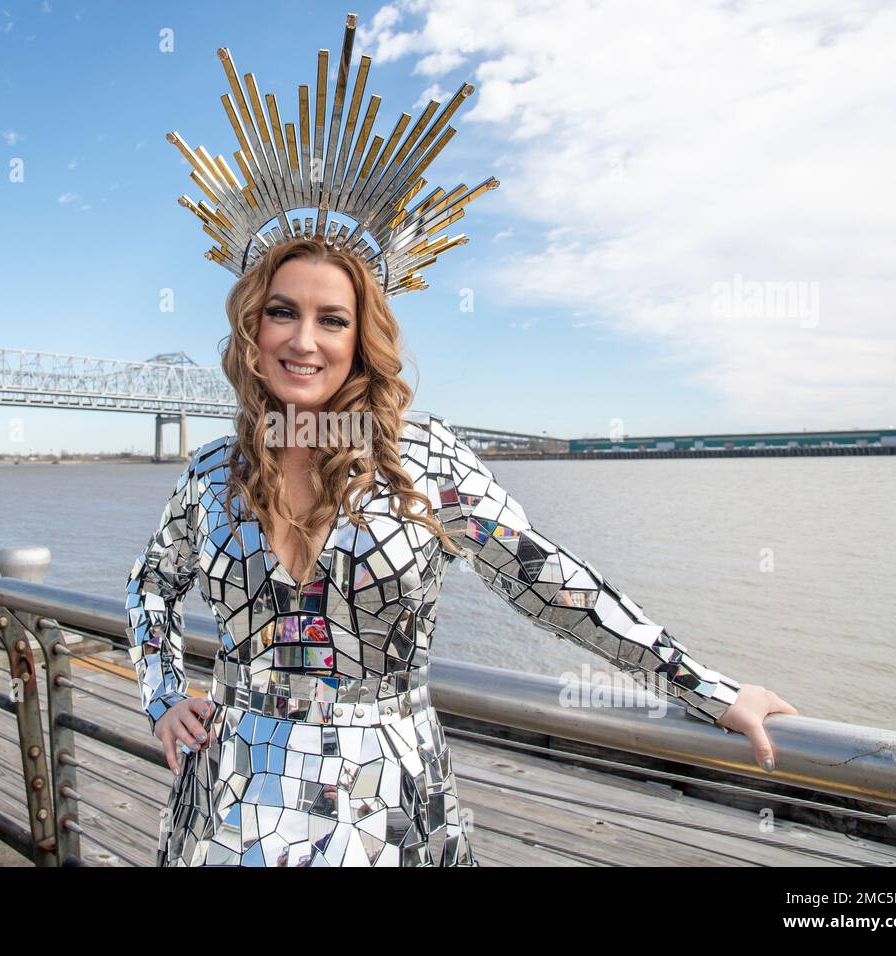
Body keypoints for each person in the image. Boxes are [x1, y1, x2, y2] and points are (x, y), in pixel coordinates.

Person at [125, 15, 796, 867]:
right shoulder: (214, 470)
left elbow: (545, 581)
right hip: (222, 807)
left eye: (333, 319)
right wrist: (161, 696)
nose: (305, 340)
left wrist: (707, 691)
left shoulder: (420, 460)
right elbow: (150, 585)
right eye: (282, 313)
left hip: (391, 812)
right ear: (250, 332)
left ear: (360, 338)